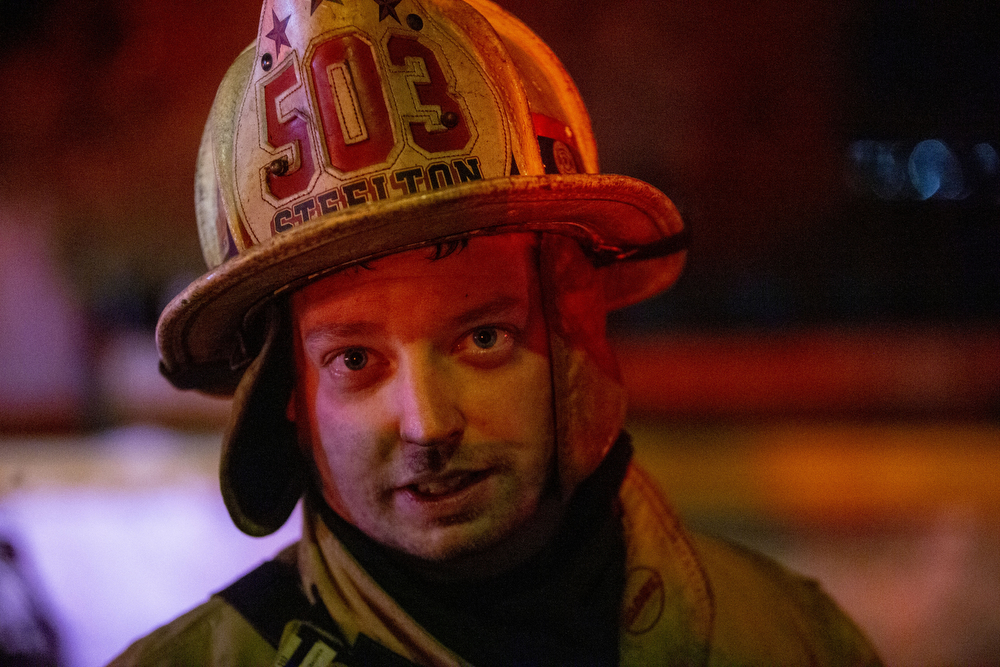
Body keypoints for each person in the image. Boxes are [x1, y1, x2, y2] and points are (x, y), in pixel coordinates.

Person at [113, 0, 883, 664]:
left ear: (574, 322)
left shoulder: (792, 643)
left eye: (482, 337)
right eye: (354, 359)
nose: (427, 424)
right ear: (285, 393)